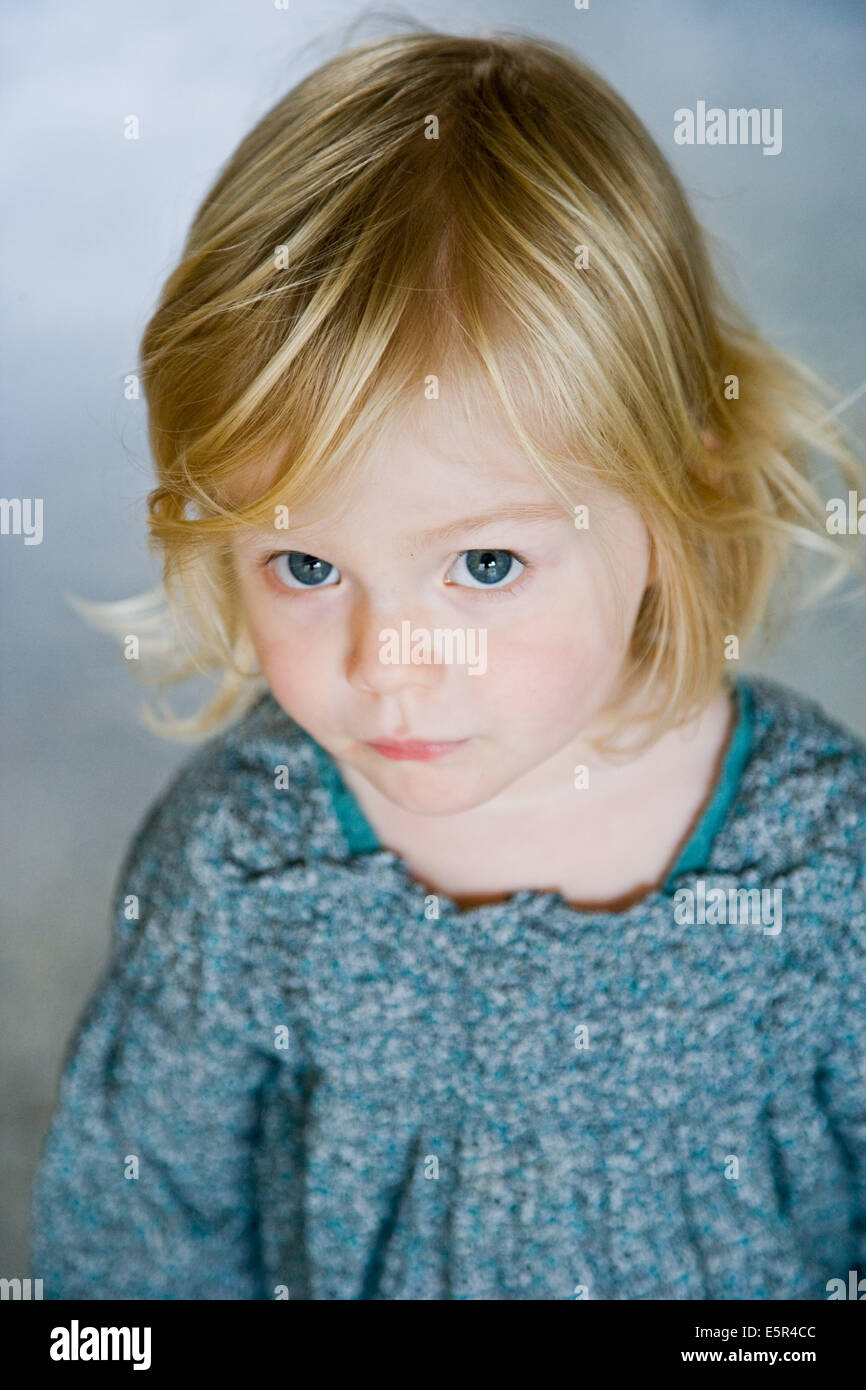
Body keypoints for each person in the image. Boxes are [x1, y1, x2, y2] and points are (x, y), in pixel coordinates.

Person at [31, 30, 866, 1300]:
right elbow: (142, 1230)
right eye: (306, 568)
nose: (389, 667)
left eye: (481, 567)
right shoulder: (247, 861)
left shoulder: (819, 862)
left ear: (679, 481)